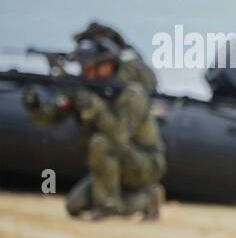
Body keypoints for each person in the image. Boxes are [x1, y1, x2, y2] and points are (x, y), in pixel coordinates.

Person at [21, 34, 165, 220]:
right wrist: (35, 107)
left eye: (88, 68)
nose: (84, 73)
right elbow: (50, 119)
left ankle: (110, 205)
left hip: (145, 165)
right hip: (110, 165)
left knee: (100, 142)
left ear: (106, 67)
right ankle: (144, 200)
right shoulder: (86, 91)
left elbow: (119, 137)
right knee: (74, 206)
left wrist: (95, 108)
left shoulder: (131, 95)